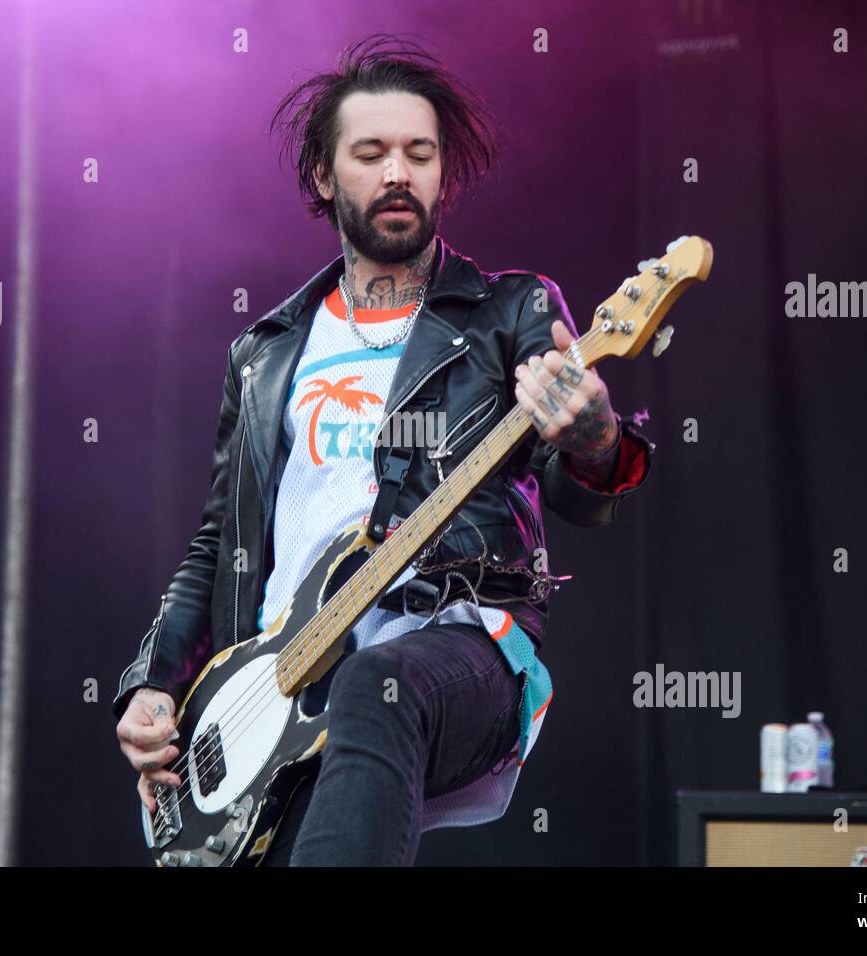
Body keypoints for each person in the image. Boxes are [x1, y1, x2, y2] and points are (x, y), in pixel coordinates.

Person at [113, 33, 653, 866]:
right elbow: (216, 545)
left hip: (458, 642)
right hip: (278, 690)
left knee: (380, 683)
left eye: (419, 153)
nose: (398, 173)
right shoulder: (264, 353)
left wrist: (595, 436)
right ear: (325, 178)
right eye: (370, 153)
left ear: (445, 174)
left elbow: (583, 494)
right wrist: (155, 682)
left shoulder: (509, 314)